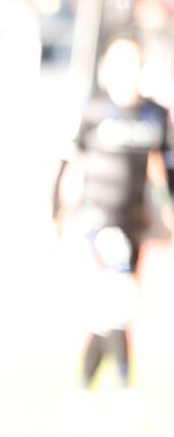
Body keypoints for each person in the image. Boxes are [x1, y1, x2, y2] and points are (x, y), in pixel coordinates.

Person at [55, 33, 173, 396]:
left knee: (115, 306)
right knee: (119, 296)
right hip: (98, 217)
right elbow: (69, 164)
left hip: (133, 221)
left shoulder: (155, 114)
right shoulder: (93, 108)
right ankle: (125, 386)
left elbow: (164, 167)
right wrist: (56, 214)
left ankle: (83, 387)